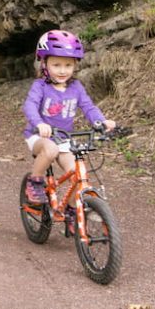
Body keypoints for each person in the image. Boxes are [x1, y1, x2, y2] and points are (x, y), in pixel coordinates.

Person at [22, 29, 116, 234]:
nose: (62, 70)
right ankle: (35, 182)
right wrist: (39, 123)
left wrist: (101, 122)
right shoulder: (40, 86)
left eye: (68, 65)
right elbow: (29, 106)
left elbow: (89, 107)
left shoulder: (76, 88)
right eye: (56, 65)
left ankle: (73, 211)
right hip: (40, 136)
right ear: (44, 64)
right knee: (50, 150)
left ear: (75, 66)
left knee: (77, 175)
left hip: (64, 139)